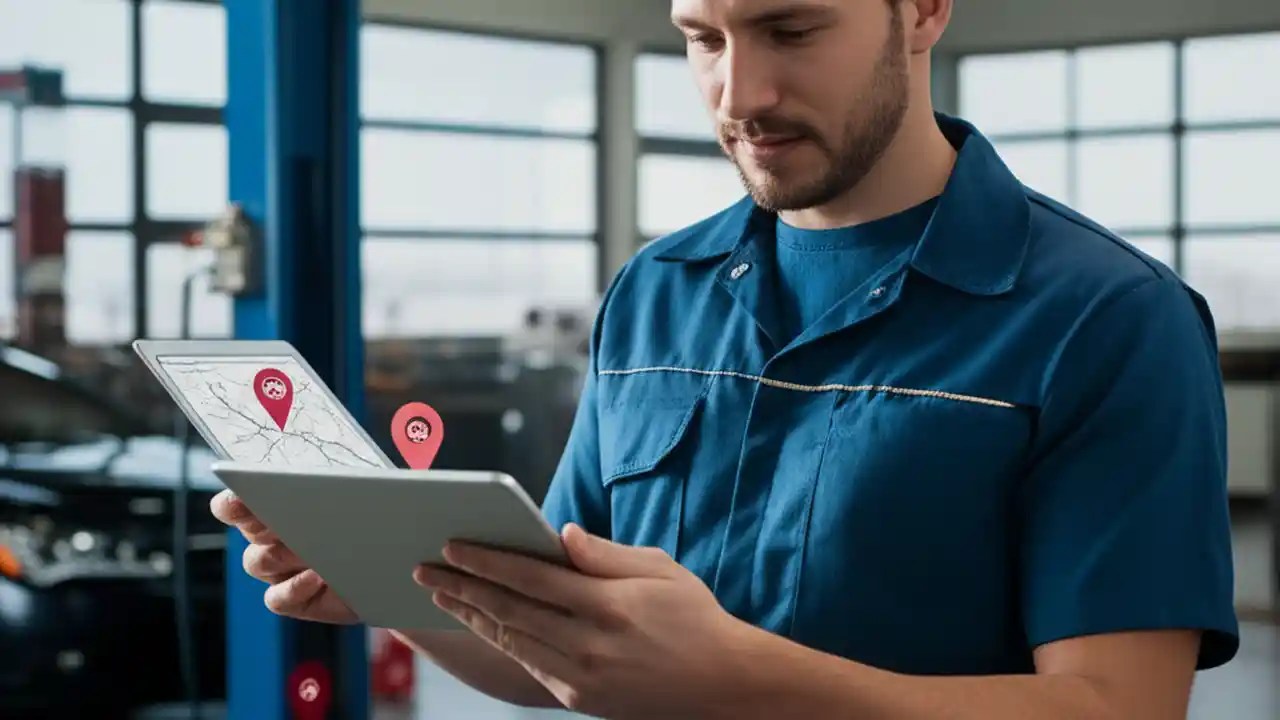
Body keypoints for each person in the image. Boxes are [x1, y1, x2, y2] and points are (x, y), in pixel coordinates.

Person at [214, 0, 1240, 717]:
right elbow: (562, 653)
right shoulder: (655, 294)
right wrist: (390, 585)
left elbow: (1112, 709)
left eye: (788, 28)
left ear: (922, 9)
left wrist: (733, 678)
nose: (736, 92)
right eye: (701, 38)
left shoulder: (1107, 319)